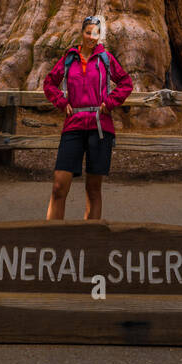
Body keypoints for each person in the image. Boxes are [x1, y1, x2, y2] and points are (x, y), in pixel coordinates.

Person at [43, 15, 133, 220]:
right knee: (58, 185)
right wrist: (61, 102)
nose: (92, 37)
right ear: (81, 33)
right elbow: (49, 83)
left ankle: (90, 239)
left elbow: (126, 83)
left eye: (96, 33)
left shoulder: (106, 59)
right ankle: (50, 238)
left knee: (93, 189)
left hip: (100, 126)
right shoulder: (69, 58)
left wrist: (110, 103)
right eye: (88, 32)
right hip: (73, 125)